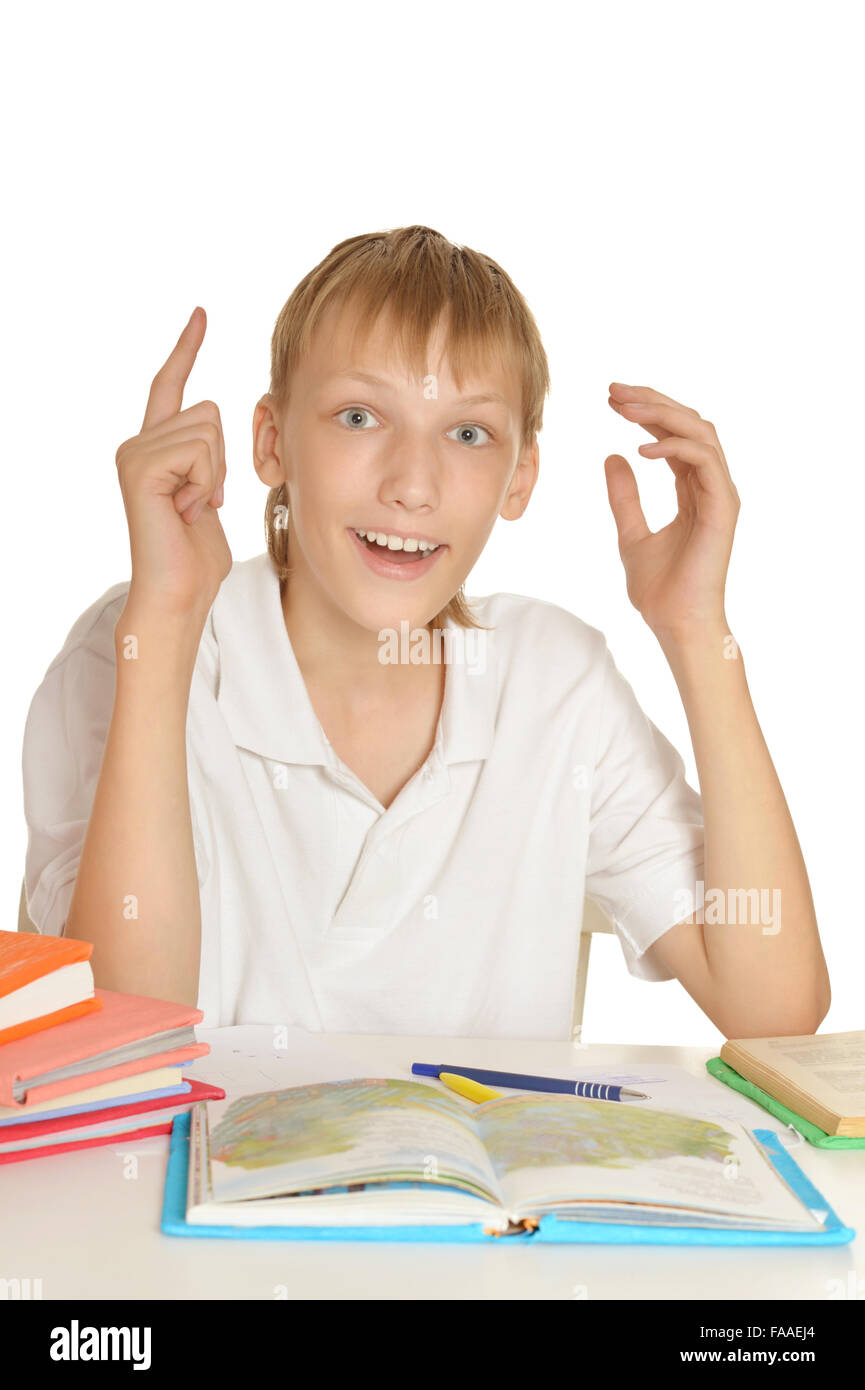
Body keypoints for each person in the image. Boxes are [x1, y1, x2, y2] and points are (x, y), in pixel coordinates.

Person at [21, 225, 830, 1039]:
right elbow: (123, 1044)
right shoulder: (137, 647)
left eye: (467, 432)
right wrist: (163, 626)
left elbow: (773, 1009)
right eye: (360, 416)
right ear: (272, 441)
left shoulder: (554, 683)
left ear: (519, 478)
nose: (412, 485)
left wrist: (696, 630)